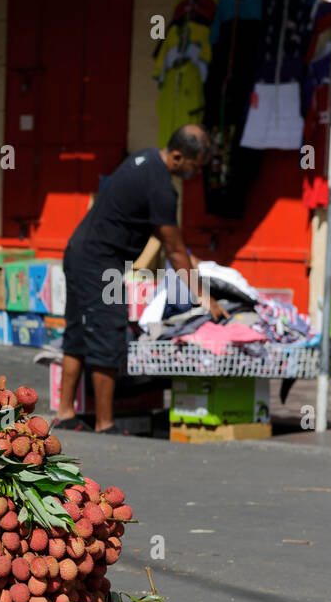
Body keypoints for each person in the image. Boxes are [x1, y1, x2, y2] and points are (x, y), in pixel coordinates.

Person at [58, 124, 227, 433]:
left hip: (79, 251)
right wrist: (206, 299)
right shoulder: (162, 187)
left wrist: (192, 261)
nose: (197, 172)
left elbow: (159, 233)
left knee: (78, 332)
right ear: (178, 156)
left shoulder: (144, 158)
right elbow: (174, 250)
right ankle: (104, 423)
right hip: (101, 263)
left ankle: (66, 413)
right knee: (107, 332)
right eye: (195, 164)